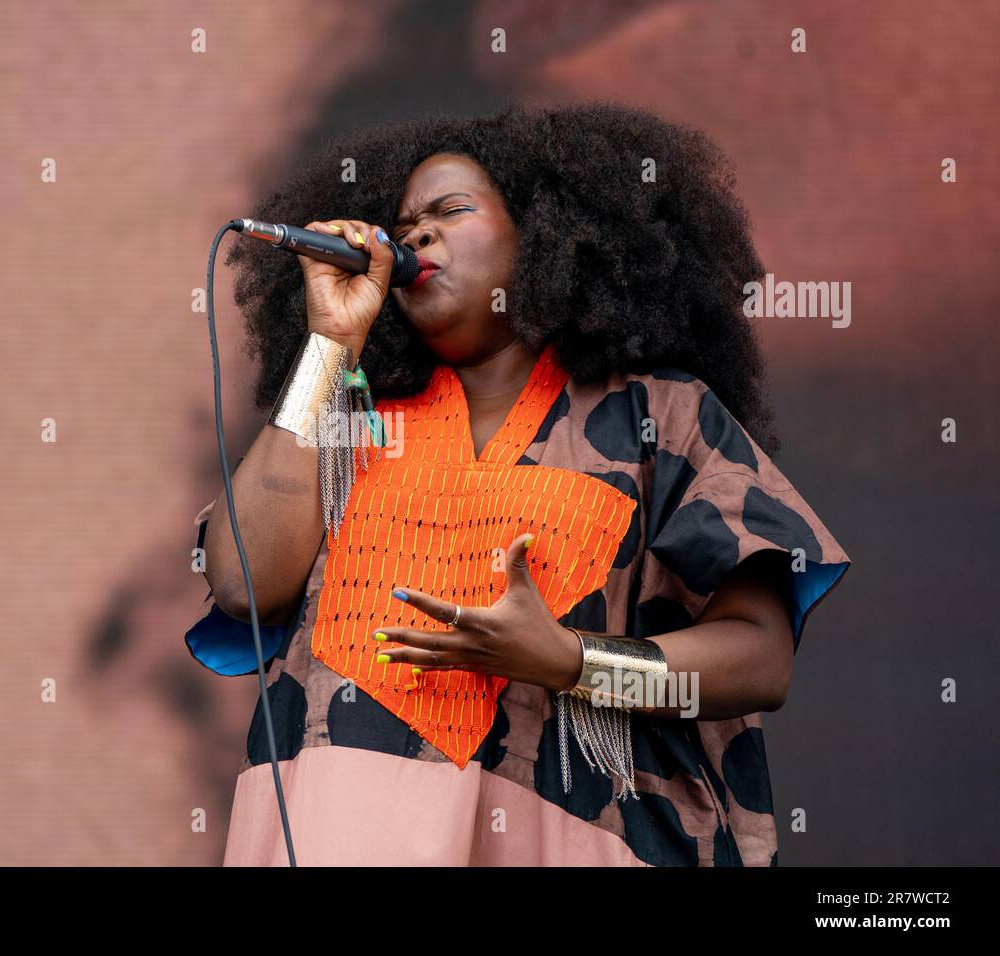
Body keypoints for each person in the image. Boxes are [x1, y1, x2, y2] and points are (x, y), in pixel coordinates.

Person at [184, 103, 851, 866]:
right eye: (402, 228)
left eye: (449, 211)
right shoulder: (344, 423)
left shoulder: (659, 413)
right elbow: (242, 585)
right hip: (335, 831)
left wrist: (572, 661)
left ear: (547, 235)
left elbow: (761, 659)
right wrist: (329, 346)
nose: (414, 238)